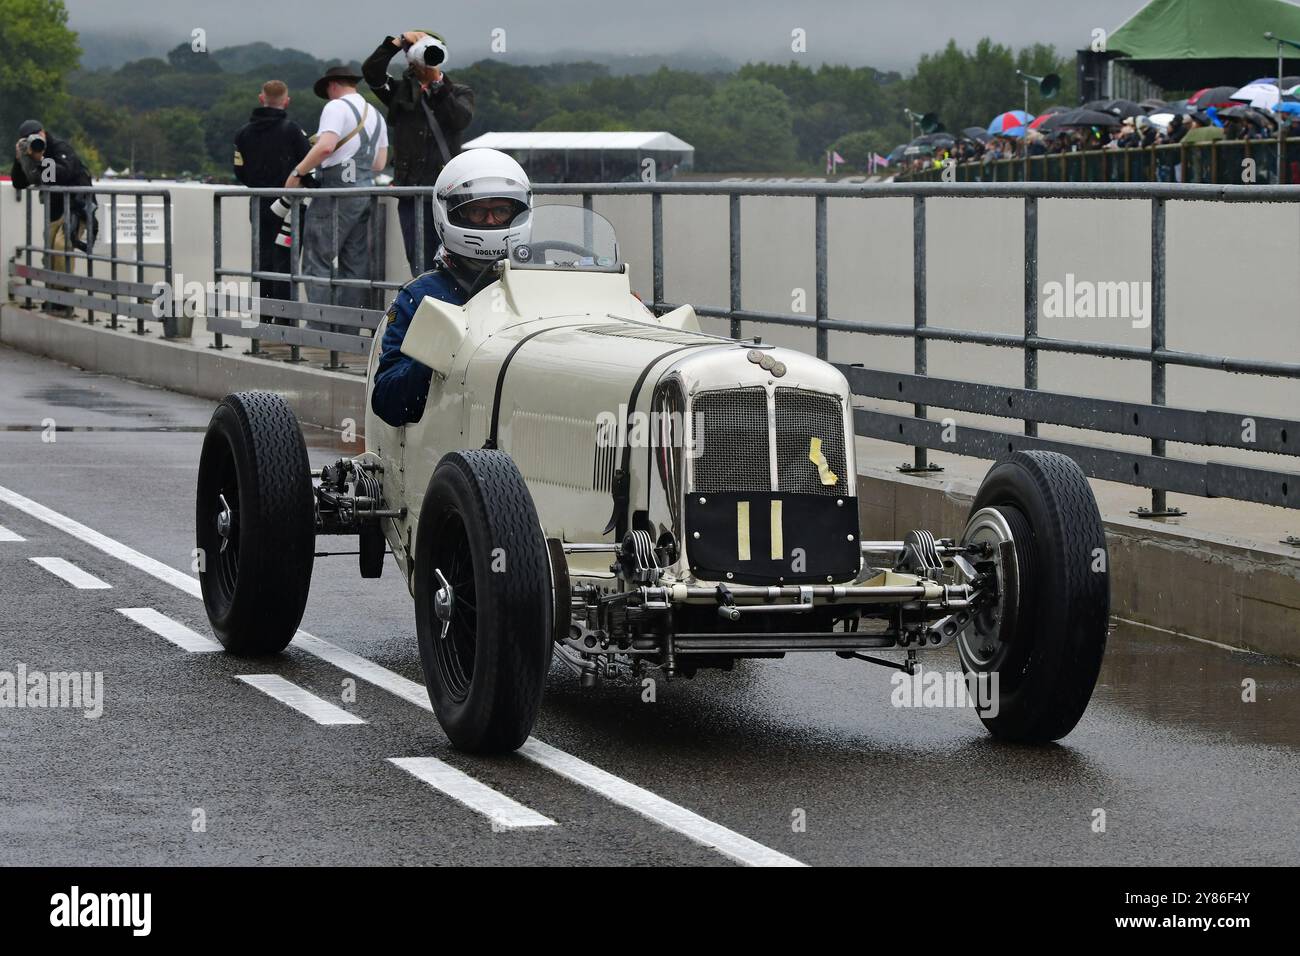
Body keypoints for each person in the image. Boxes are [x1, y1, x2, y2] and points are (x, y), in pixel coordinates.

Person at [371, 149, 530, 428]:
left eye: (502, 211)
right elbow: (387, 403)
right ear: (453, 213)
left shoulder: (540, 283)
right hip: (449, 437)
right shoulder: (420, 296)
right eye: (478, 211)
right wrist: (432, 355)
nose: (491, 221)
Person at [363, 30, 475, 277]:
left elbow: (459, 119)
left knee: (453, 256)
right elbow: (371, 73)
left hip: (447, 190)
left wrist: (437, 84)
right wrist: (396, 43)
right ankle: (425, 303)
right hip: (411, 190)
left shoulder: (458, 92)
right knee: (418, 258)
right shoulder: (401, 92)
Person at [287, 66, 389, 314]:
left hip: (335, 192)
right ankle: (349, 328)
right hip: (364, 192)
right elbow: (379, 163)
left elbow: (325, 147)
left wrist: (297, 173)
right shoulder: (376, 114)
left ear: (332, 85)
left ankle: (319, 326)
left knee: (316, 260)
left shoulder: (336, 107)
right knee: (355, 263)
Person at [233, 80, 311, 323]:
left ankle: (264, 318)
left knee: (262, 260)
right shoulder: (294, 131)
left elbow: (240, 173)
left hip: (258, 205)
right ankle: (286, 321)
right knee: (286, 262)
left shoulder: (243, 134)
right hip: (289, 208)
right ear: (286, 101)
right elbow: (307, 169)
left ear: (261, 99)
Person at [10, 119, 94, 316]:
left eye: (37, 137)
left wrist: (40, 159)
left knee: (61, 246)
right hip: (54, 210)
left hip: (77, 206)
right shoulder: (29, 153)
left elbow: (63, 174)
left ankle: (65, 300)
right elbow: (19, 182)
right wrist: (20, 159)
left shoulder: (60, 148)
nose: (35, 142)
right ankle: (53, 298)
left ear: (43, 133)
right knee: (49, 253)